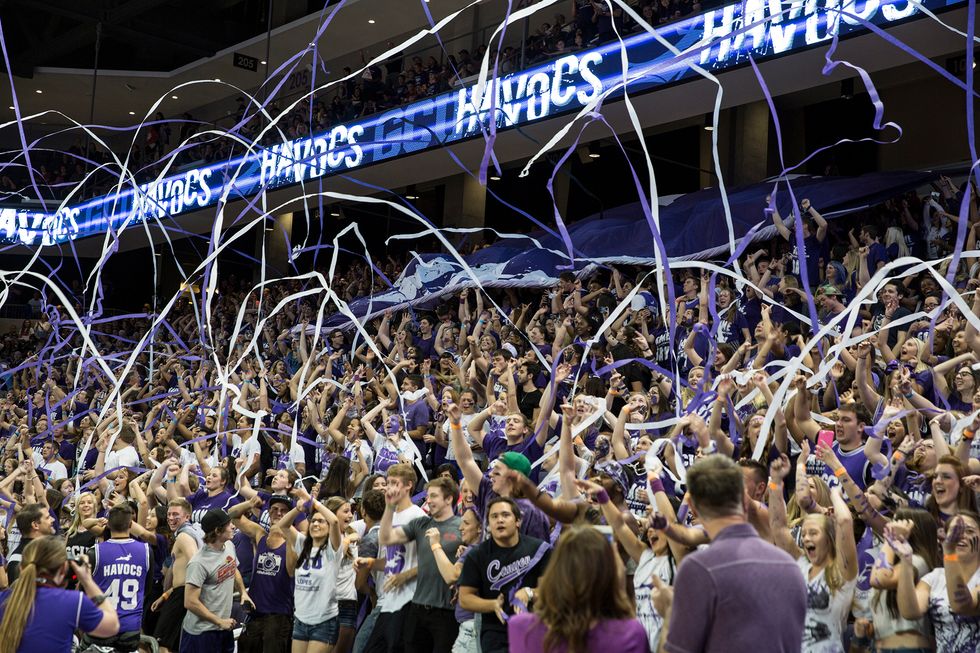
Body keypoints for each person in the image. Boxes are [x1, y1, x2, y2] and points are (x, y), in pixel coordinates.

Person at [656, 454, 806, 652]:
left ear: (693, 507)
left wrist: (669, 614)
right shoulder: (790, 568)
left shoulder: (698, 569)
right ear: (745, 504)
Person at [508, 525, 648, 653]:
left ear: (556, 571)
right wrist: (620, 592)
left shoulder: (520, 628)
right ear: (611, 575)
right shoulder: (630, 635)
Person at [769, 453, 858, 653]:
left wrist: (835, 494)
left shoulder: (842, 573)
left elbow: (844, 522)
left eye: (814, 533)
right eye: (806, 533)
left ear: (828, 537)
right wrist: (775, 483)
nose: (807, 538)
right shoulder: (801, 564)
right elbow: (778, 527)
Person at [380, 476, 462, 652]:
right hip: (417, 608)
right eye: (427, 496)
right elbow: (386, 538)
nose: (428, 500)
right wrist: (389, 507)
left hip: (447, 611)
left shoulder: (461, 527)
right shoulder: (421, 524)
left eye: (433, 496)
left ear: (449, 499)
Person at [458, 497, 551, 653]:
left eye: (505, 515)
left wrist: (530, 592)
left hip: (533, 628)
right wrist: (492, 605)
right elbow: (465, 598)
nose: (499, 520)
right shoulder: (477, 555)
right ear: (488, 524)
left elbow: (550, 591)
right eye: (494, 516)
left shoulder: (539, 549)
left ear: (518, 521)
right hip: (495, 632)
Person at [0, 535, 119, 653]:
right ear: (63, 570)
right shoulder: (72, 601)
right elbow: (112, 626)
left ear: (21, 568)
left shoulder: (4, 599)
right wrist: (87, 581)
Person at [894, 512, 980, 651]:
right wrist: (905, 560)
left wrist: (950, 553)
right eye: (955, 531)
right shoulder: (934, 578)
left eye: (969, 531)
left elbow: (962, 607)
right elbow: (910, 612)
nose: (961, 535)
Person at [363, 463, 426, 653]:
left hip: (408, 599)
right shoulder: (388, 516)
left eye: (394, 483)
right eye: (388, 483)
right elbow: (393, 558)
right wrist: (372, 563)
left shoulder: (418, 516)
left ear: (408, 486)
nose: (389, 488)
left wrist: (404, 576)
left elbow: (429, 562)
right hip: (388, 598)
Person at [276, 485, 344, 653]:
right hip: (300, 620)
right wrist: (297, 509)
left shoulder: (332, 549)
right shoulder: (302, 544)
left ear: (328, 528)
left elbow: (334, 521)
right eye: (313, 520)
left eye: (321, 521)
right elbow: (283, 525)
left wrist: (312, 502)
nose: (315, 524)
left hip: (324, 622)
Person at [180, 508, 252, 653]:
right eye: (229, 524)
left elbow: (233, 568)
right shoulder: (199, 562)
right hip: (201, 633)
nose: (233, 526)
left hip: (223, 627)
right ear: (218, 531)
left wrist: (243, 592)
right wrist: (219, 621)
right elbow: (190, 601)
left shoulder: (229, 546)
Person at [229, 494, 294, 653]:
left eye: (284, 511)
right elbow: (232, 515)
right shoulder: (260, 534)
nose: (278, 513)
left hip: (279, 615)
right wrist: (250, 503)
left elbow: (292, 571)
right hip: (255, 613)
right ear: (269, 512)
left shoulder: (294, 541)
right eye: (274, 510)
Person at [85, 503, 152, 652]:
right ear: (130, 524)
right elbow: (147, 588)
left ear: (108, 525)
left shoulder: (95, 552)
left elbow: (85, 591)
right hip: (130, 626)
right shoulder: (146, 550)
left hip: (101, 624)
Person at [153, 497, 202, 653]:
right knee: (174, 645)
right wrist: (166, 594)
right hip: (181, 592)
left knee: (162, 644)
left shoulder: (184, 536)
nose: (171, 518)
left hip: (183, 595)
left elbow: (196, 563)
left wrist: (188, 594)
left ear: (187, 516)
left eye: (175, 514)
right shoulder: (192, 532)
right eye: (169, 515)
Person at [6, 502, 55, 583]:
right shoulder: (18, 560)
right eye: (48, 517)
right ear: (35, 525)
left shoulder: (48, 550)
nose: (52, 519)